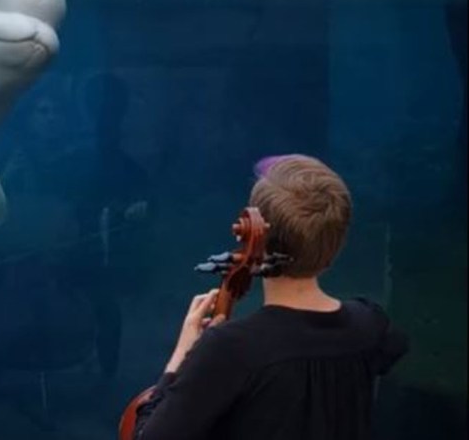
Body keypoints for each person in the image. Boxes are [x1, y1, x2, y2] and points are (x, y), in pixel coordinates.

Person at [133, 154, 409, 440]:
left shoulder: (232, 348)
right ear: (336, 243)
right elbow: (394, 346)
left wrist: (181, 357)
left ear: (256, 237)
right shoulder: (369, 324)